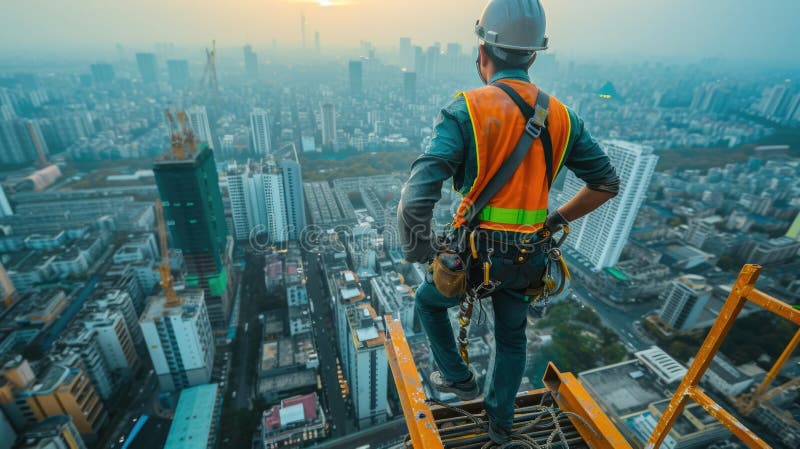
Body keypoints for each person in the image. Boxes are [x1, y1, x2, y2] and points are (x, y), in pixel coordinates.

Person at [397, 0, 620, 444]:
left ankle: (460, 381)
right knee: (512, 339)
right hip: (529, 256)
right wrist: (553, 219)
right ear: (533, 55)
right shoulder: (563, 117)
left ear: (484, 52)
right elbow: (605, 184)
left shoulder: (466, 110)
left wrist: (426, 252)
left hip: (474, 253)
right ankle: (501, 426)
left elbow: (415, 197)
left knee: (427, 303)